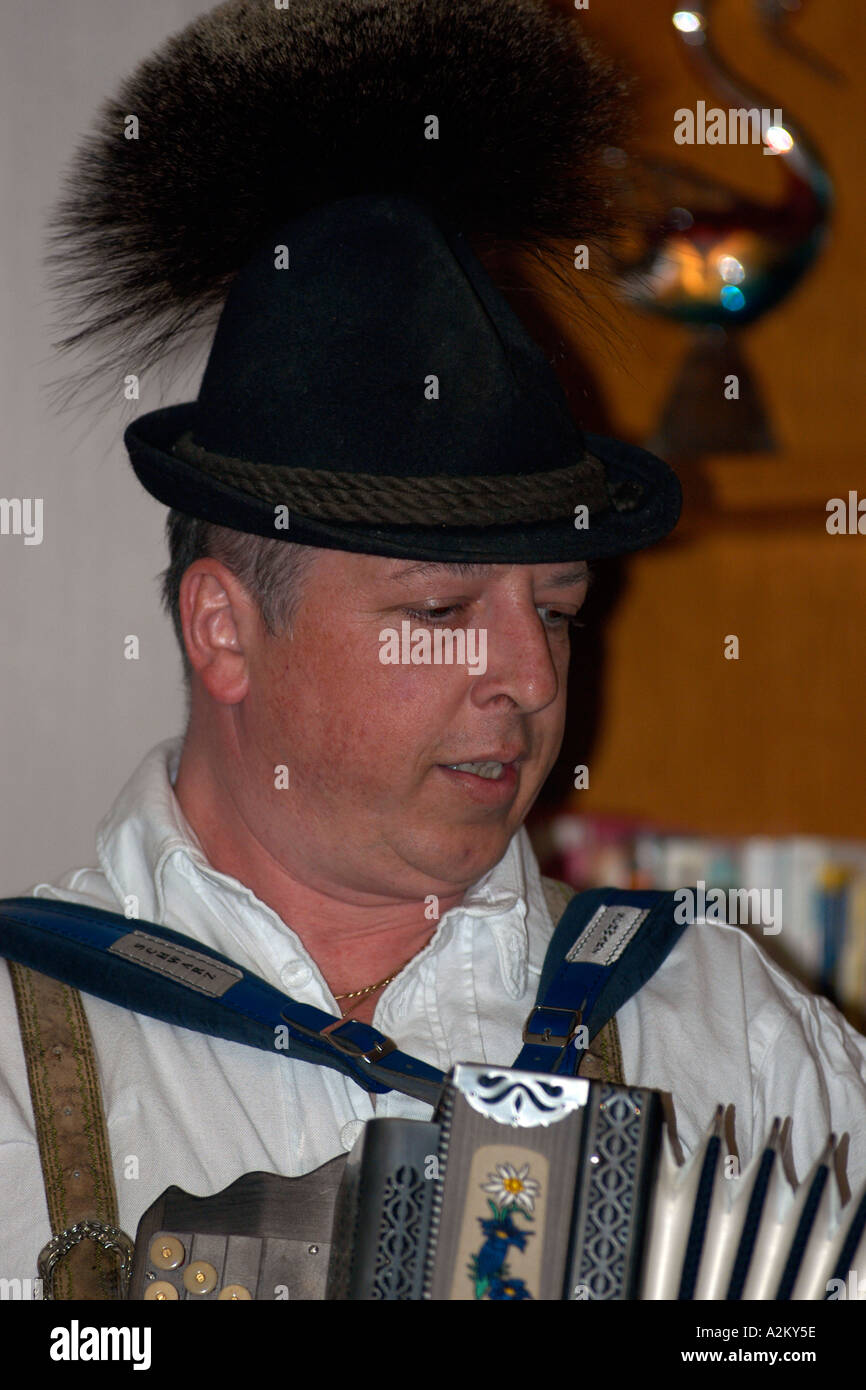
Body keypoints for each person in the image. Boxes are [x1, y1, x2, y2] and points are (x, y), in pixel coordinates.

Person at [2, 0, 865, 1293]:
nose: (527, 677)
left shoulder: (729, 1034)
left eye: (558, 611)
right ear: (225, 629)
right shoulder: (19, 1063)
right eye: (439, 612)